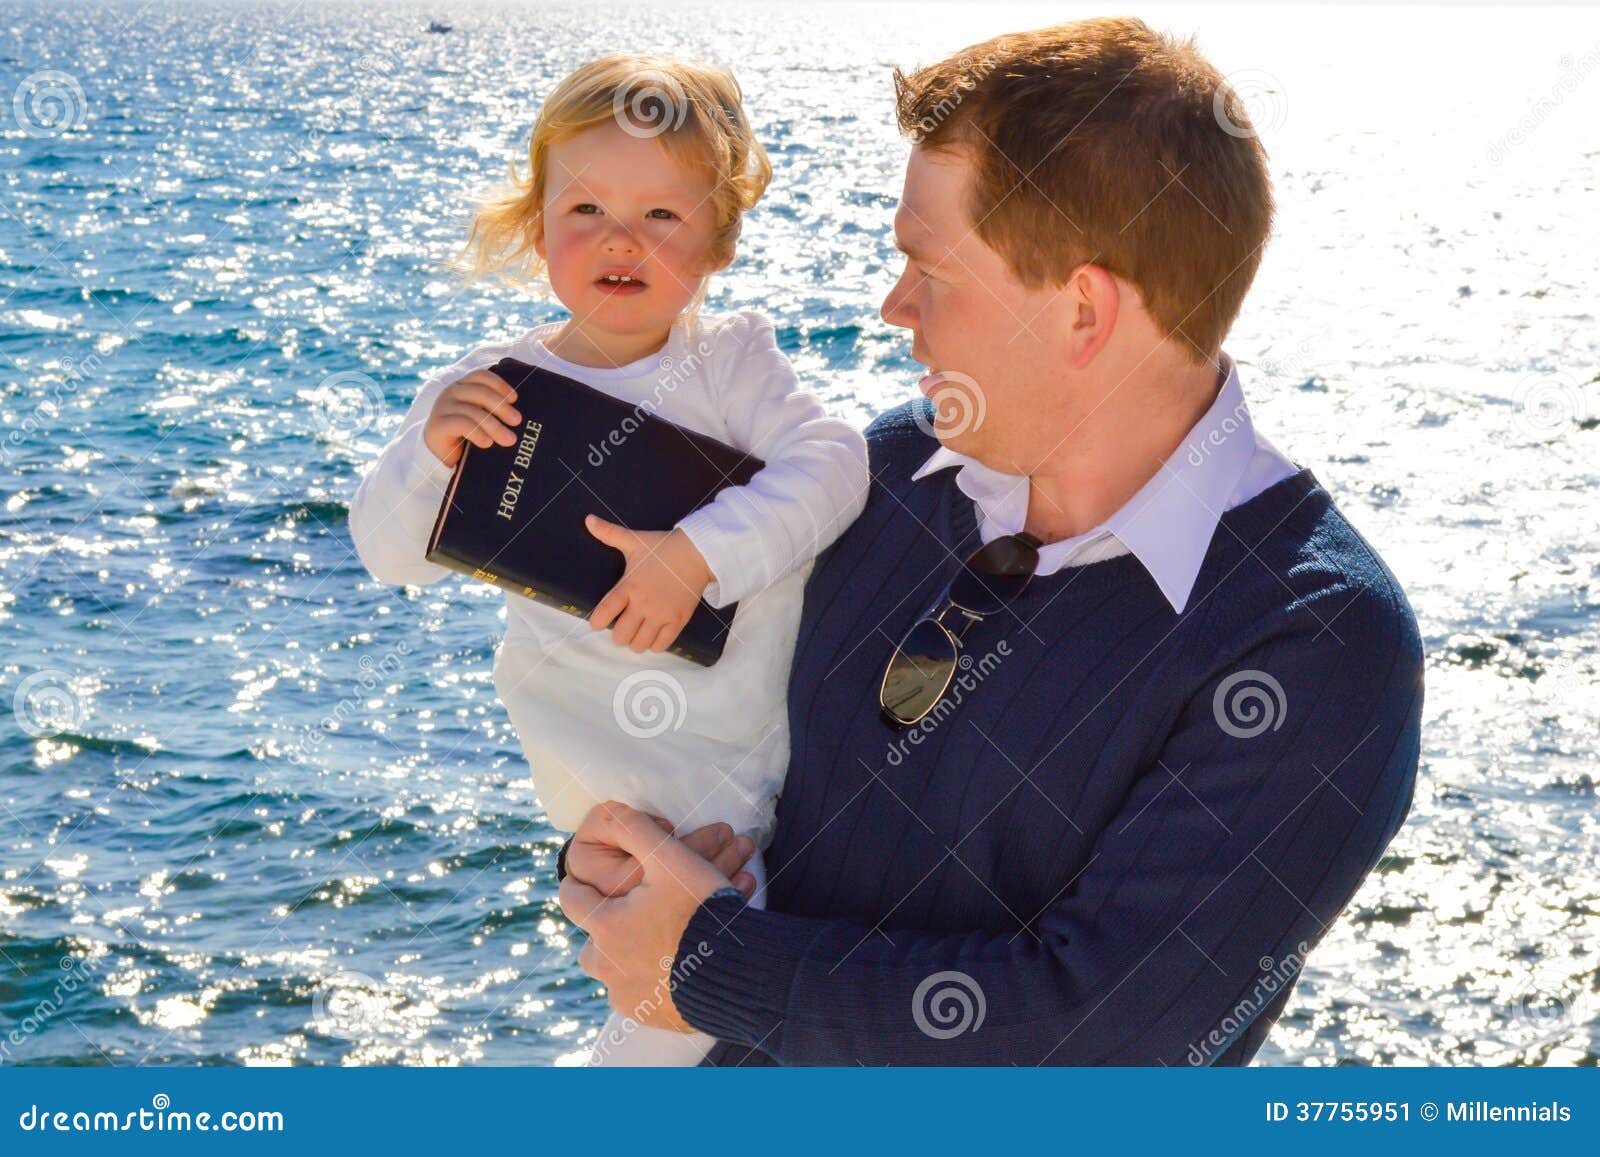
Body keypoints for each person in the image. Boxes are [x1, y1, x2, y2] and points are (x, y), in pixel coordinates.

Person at [557, 18, 1425, 1065]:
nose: (893, 307)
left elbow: (1096, 1039)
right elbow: (710, 742)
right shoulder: (874, 476)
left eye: (929, 267)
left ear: (1082, 312)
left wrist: (707, 961)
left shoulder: (1318, 643)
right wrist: (630, 857)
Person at [347, 54, 869, 1065]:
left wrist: (695, 557)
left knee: (682, 1002)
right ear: (537, 224)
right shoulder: (492, 387)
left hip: (738, 754)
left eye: (662, 217)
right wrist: (426, 455)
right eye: (583, 208)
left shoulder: (729, 360)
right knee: (652, 998)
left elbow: (833, 462)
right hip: (597, 764)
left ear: (716, 240)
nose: (620, 240)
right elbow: (387, 555)